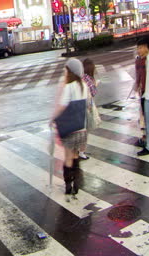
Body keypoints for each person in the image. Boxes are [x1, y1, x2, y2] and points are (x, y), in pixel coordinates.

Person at [52, 59, 88, 196]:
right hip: (82, 128)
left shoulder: (69, 86)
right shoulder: (84, 85)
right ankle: (77, 183)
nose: (64, 71)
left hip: (70, 129)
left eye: (66, 69)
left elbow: (62, 106)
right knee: (75, 156)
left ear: (71, 71)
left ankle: (68, 186)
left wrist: (53, 118)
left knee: (67, 158)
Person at [80, 59, 100, 160]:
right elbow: (93, 93)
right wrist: (96, 84)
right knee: (84, 131)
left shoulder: (80, 77)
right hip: (86, 108)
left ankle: (77, 151)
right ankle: (82, 152)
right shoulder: (89, 79)